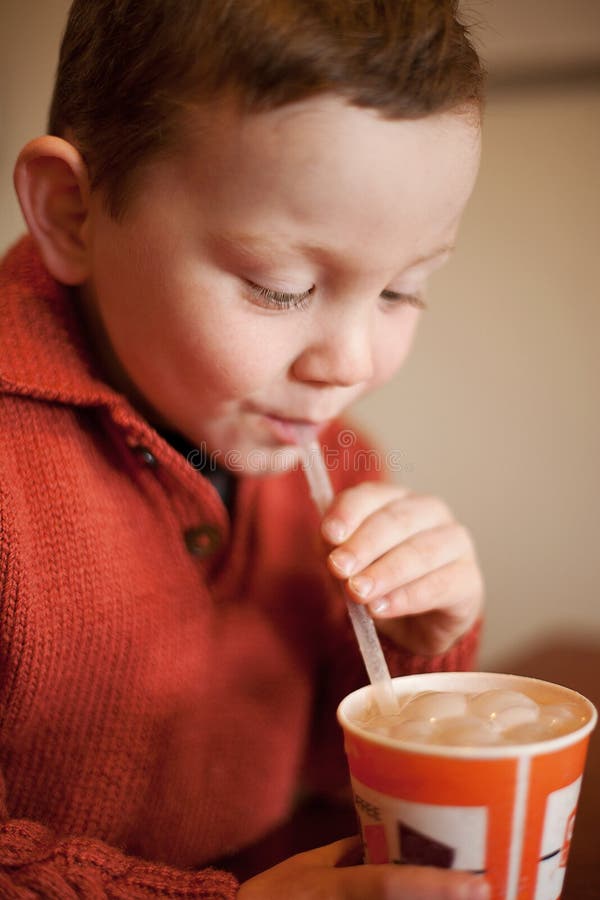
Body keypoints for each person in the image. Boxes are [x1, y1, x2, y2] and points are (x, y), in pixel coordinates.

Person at [0, 1, 488, 897]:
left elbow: (355, 780)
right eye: (281, 286)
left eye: (403, 290)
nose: (350, 364)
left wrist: (419, 645)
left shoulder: (336, 460)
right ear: (73, 214)